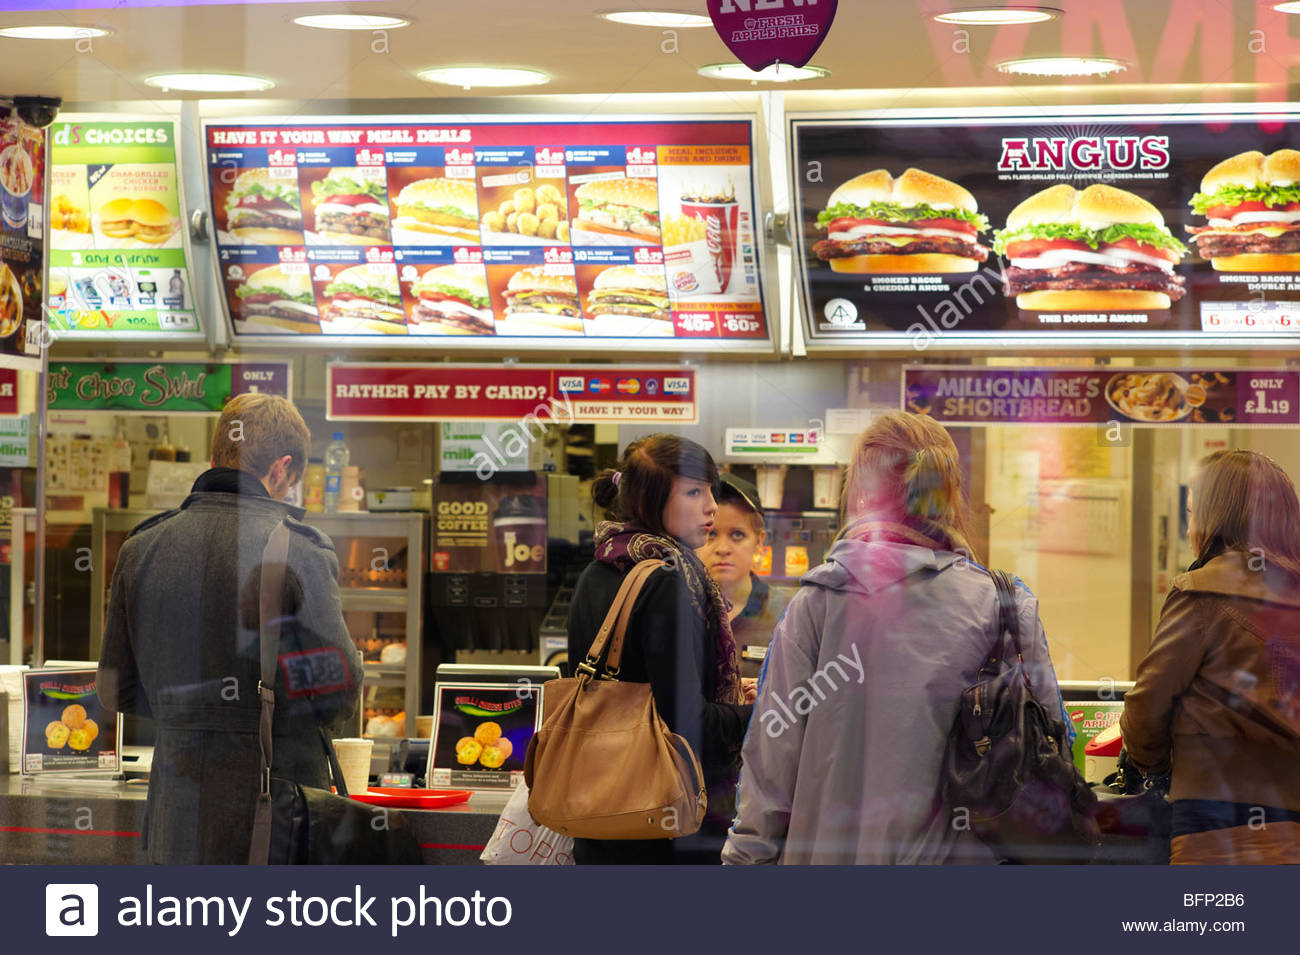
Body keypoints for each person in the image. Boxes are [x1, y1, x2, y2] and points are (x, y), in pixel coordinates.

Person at [722, 411, 1071, 864]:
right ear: (949, 492)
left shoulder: (815, 605)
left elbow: (770, 765)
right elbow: (1054, 744)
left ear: (861, 494)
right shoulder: (1005, 606)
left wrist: (746, 860)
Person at [97, 394, 362, 864]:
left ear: (216, 456)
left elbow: (115, 689)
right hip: (278, 818)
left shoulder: (142, 547)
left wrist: (190, 716)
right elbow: (337, 694)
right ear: (281, 468)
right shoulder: (300, 549)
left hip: (174, 818)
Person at [567, 433, 753, 864]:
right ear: (650, 499)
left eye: (710, 490)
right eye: (693, 492)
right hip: (666, 830)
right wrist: (764, 712)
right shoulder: (668, 582)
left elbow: (636, 694)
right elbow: (689, 726)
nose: (711, 506)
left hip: (600, 821)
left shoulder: (598, 569)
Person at [1121, 449, 1300, 864]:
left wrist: (1154, 768)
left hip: (1215, 813)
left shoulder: (1201, 591)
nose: (1190, 528)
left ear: (1213, 518)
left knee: (1212, 909)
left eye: (1192, 514)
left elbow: (1148, 704)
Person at [698, 472, 797, 680]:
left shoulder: (788, 614)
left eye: (737, 535)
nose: (723, 548)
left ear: (759, 541)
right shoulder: (675, 610)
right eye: (711, 534)